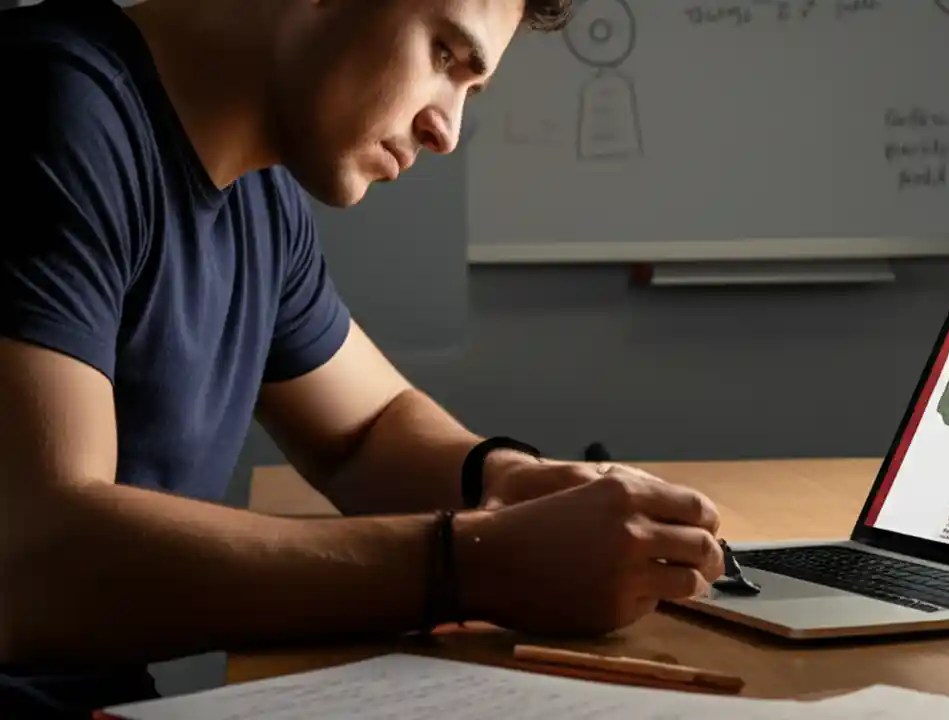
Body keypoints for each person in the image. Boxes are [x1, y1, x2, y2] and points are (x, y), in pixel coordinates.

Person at [0, 0, 725, 715]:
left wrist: (511, 482)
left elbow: (366, 431)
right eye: (444, 56)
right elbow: (36, 558)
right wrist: (469, 562)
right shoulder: (51, 105)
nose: (447, 130)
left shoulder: (261, 198)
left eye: (471, 88)